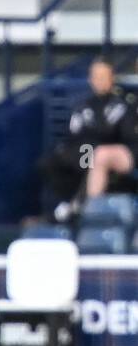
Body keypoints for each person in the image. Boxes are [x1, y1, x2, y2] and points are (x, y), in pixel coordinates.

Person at [39, 58, 138, 223]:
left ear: (112, 78)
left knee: (94, 156)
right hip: (84, 151)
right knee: (51, 162)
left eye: (104, 76)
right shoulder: (84, 105)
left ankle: (81, 209)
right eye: (97, 77)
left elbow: (124, 135)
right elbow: (76, 135)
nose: (100, 81)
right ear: (91, 79)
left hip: (111, 152)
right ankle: (69, 204)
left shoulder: (123, 103)